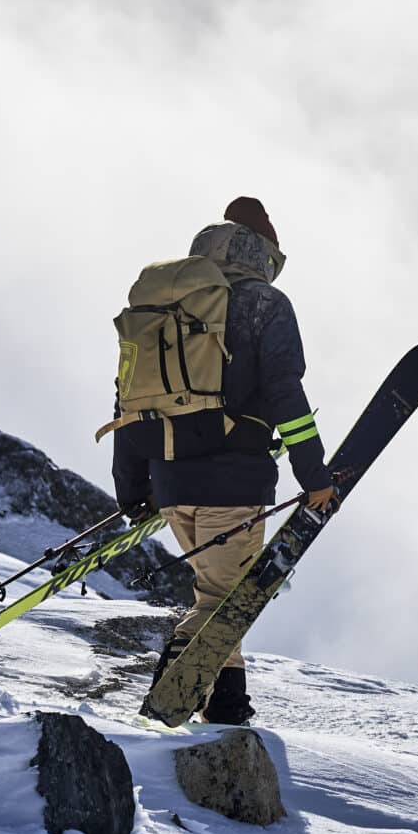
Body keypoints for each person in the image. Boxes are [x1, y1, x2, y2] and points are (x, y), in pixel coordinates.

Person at [112, 196, 335, 725]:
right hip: (234, 484)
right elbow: (285, 393)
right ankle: (167, 700)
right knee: (221, 605)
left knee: (218, 592)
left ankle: (228, 707)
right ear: (265, 254)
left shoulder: (165, 306)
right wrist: (315, 475)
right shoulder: (264, 303)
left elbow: (128, 402)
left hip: (169, 484)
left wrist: (133, 490)